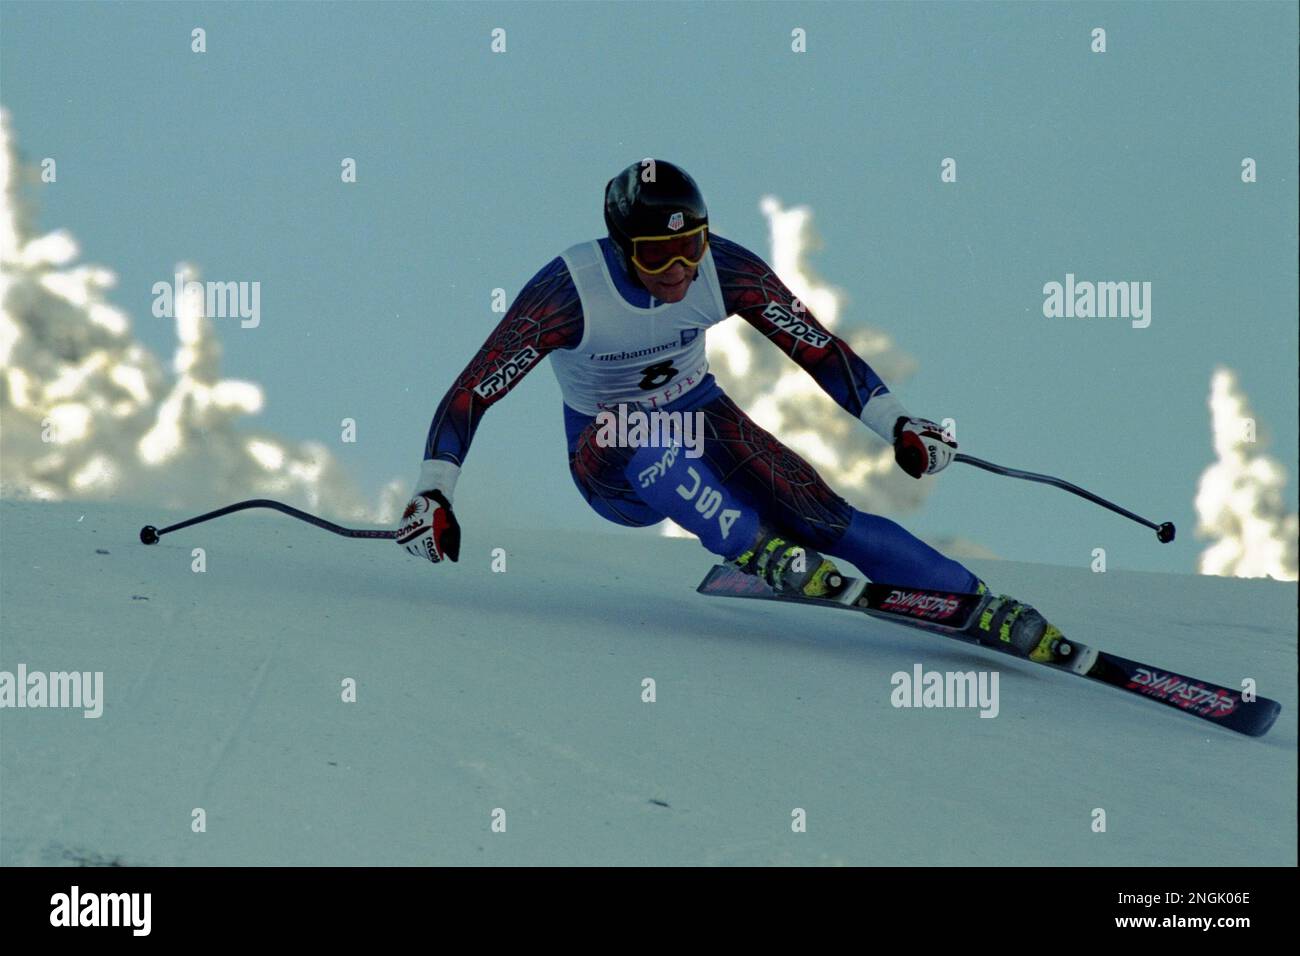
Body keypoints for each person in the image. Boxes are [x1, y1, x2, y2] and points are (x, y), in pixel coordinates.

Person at [398, 159, 1066, 664]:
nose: (680, 268)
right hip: (612, 462)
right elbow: (473, 389)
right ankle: (757, 551)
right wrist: (434, 492)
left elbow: (820, 350)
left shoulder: (724, 270)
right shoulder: (570, 291)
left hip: (702, 416)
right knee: (638, 429)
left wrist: (899, 423)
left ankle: (979, 602)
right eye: (658, 255)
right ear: (622, 248)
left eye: (693, 244)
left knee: (823, 517)